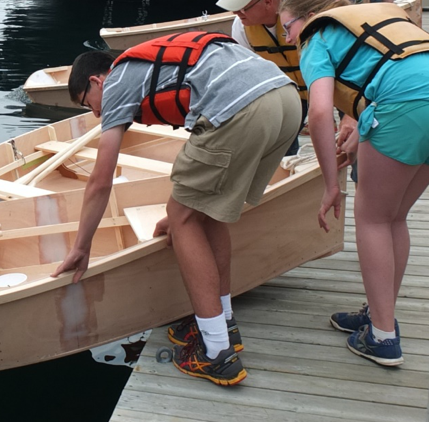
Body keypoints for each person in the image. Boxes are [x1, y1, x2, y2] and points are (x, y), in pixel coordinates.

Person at [53, 35, 301, 386]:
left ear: (96, 80)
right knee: (205, 211)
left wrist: (81, 248)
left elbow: (100, 180)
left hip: (240, 108)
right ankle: (223, 323)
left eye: (86, 102)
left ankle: (217, 353)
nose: (95, 112)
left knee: (183, 217)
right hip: (285, 99)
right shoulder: (151, 68)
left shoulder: (118, 81)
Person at [280, 0, 429, 367]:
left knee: (373, 219)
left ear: (306, 18)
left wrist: (331, 185)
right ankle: (378, 313)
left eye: (287, 27)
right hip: (420, 96)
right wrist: (358, 130)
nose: (286, 38)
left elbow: (317, 113)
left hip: (405, 105)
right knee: (393, 217)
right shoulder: (362, 22)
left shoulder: (316, 36)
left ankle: (382, 337)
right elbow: (379, 67)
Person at [216, 0, 318, 153]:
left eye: (241, 7)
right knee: (279, 141)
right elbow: (248, 76)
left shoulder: (309, 15)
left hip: (329, 83)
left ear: (268, 2)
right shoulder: (241, 26)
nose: (236, 13)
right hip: (289, 90)